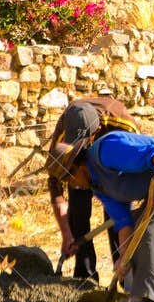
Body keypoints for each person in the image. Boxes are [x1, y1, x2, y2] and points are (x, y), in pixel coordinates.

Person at [47, 129, 154, 302]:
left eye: (68, 179)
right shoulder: (98, 187)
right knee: (136, 234)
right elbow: (123, 222)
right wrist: (122, 258)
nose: (72, 185)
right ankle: (139, 295)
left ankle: (150, 300)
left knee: (149, 232)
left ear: (77, 167)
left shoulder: (107, 151)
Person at [45, 96, 134, 283]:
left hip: (113, 165)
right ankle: (85, 279)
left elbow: (138, 159)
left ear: (98, 130)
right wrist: (67, 234)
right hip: (79, 166)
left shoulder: (122, 125)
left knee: (118, 215)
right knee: (78, 212)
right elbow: (55, 185)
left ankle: (126, 274)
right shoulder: (63, 134)